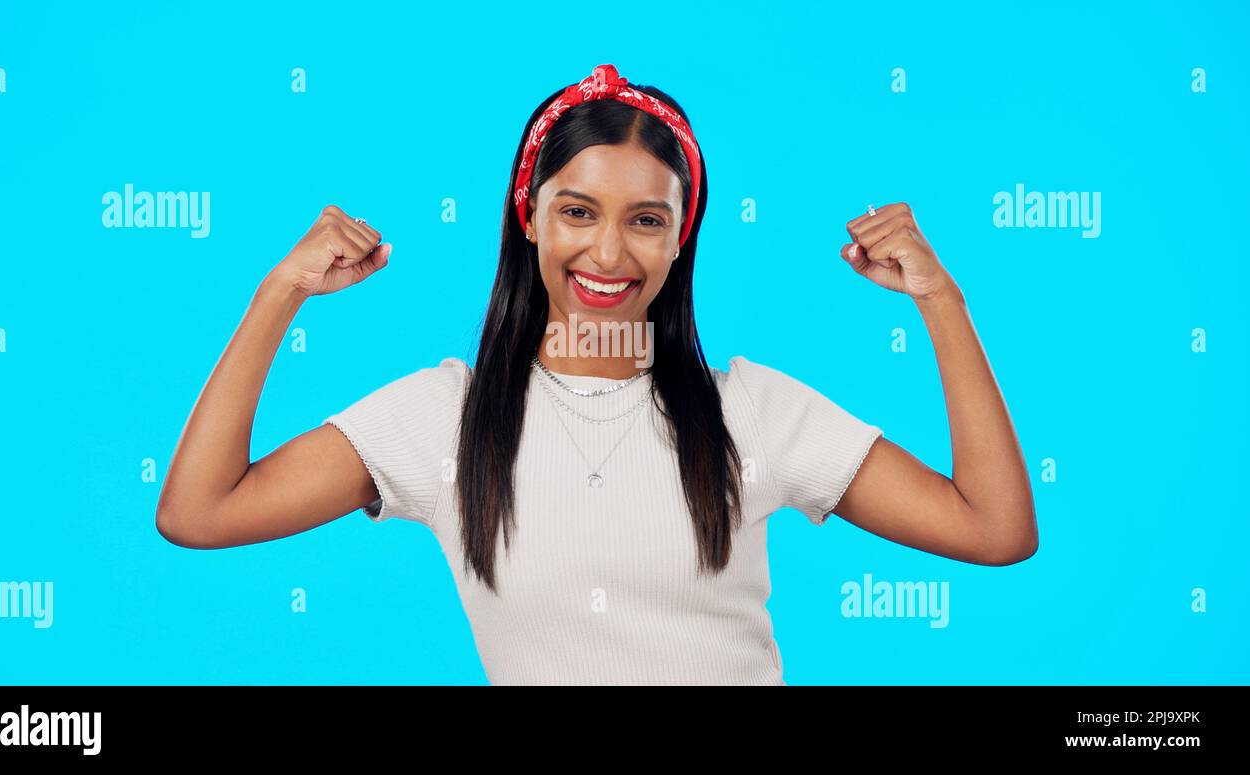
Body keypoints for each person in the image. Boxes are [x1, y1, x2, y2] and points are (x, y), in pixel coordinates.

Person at [156, 63, 1037, 685]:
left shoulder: (755, 413)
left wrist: (941, 301)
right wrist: (282, 292)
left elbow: (994, 528)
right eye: (578, 211)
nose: (609, 252)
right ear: (529, 215)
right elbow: (200, 510)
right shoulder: (443, 420)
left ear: (681, 234)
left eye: (646, 220)